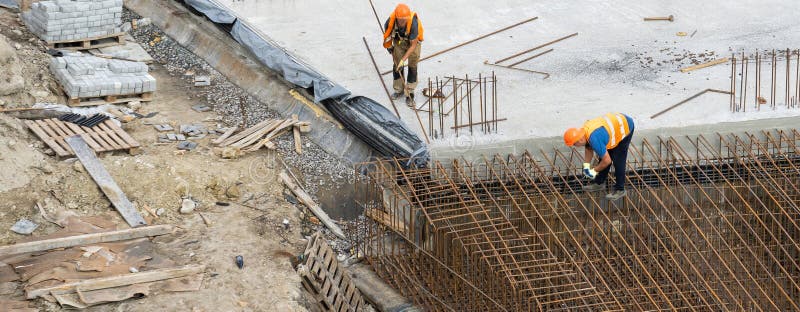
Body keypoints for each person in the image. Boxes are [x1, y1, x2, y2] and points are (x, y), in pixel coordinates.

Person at [563, 113, 635, 200]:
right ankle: (599, 182)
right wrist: (586, 167)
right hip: (612, 127)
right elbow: (588, 148)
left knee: (618, 159)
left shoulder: (594, 139)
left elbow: (607, 161)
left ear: (580, 139)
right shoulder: (584, 132)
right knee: (604, 154)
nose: (575, 146)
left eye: (574, 144)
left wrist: (593, 171)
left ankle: (620, 189)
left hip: (625, 126)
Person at [383, 3, 424, 107]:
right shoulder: (390, 21)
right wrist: (389, 46)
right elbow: (387, 35)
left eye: (404, 19)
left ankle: (409, 93)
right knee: (397, 65)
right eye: (400, 19)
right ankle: (399, 89)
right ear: (396, 17)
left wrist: (403, 60)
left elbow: (413, 46)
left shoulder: (413, 23)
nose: (402, 21)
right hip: (399, 42)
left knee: (412, 66)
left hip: (413, 44)